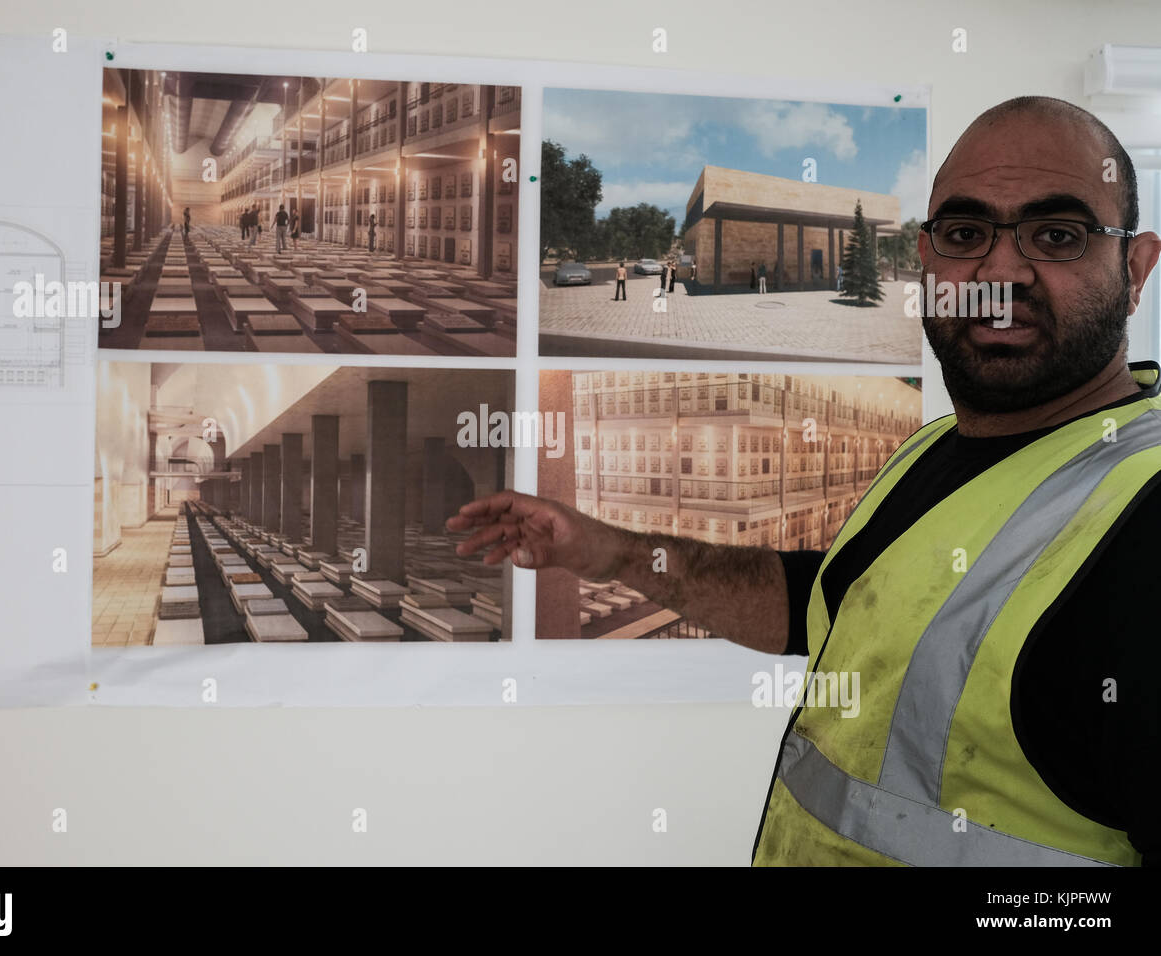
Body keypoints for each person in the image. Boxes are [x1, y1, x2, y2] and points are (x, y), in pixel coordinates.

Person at [447, 95, 1161, 867]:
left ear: (1135, 268)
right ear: (927, 261)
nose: (999, 270)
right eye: (965, 234)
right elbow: (818, 606)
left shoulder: (1146, 513)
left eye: (1057, 235)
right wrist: (611, 551)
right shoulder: (930, 452)